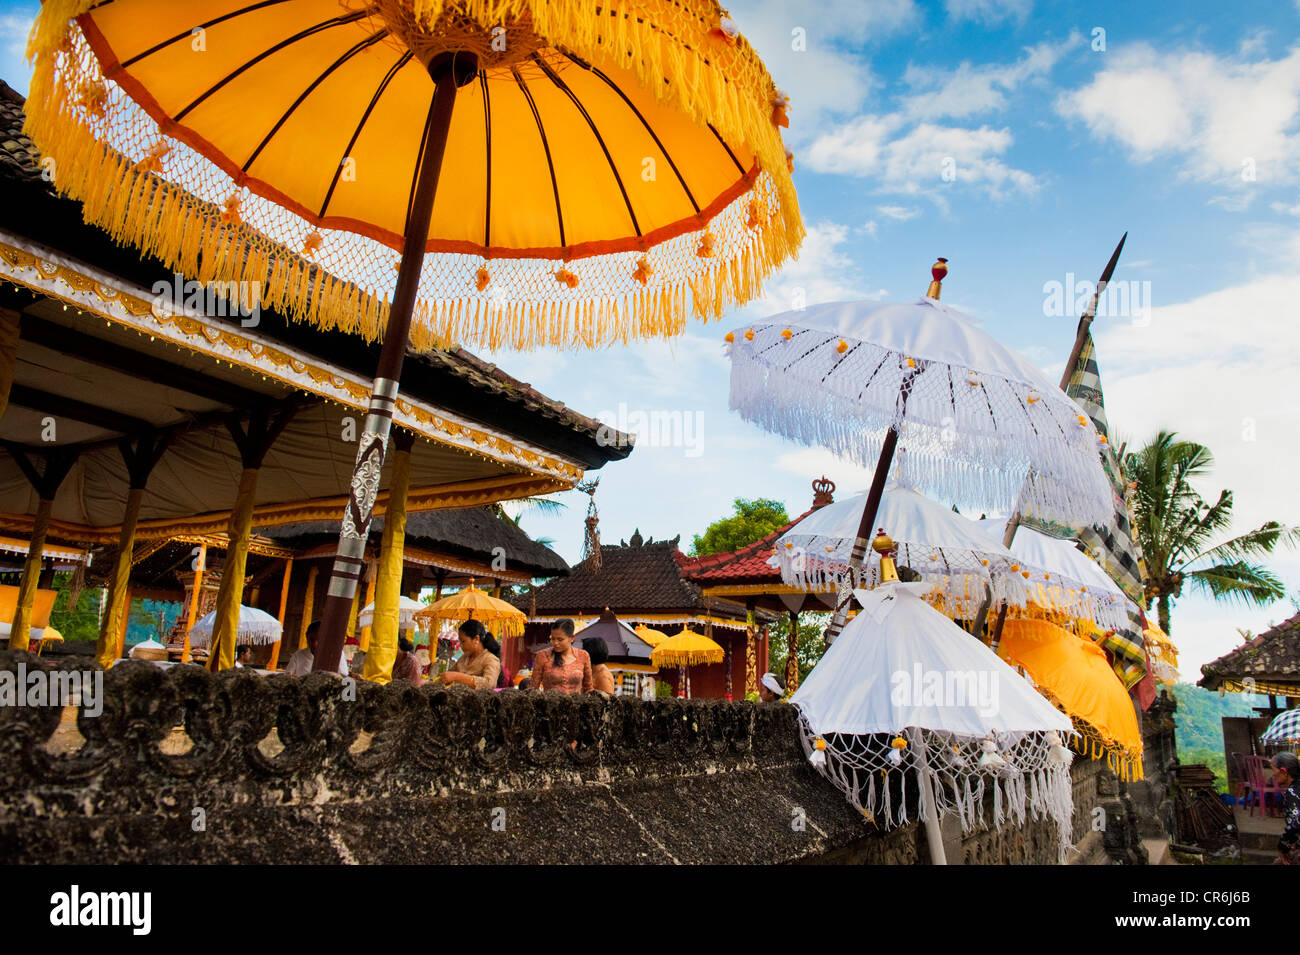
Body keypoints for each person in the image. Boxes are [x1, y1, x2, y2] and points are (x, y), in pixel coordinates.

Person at [531, 619, 592, 693]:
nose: (555, 643)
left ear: (572, 638)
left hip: (577, 703)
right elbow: (533, 689)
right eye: (553, 639)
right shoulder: (542, 656)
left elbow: (588, 687)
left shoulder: (583, 656)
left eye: (560, 639)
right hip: (550, 703)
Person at [438, 620, 502, 689]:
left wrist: (457, 677)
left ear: (476, 639)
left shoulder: (490, 659)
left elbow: (489, 684)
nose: (461, 646)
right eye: (460, 642)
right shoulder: (464, 658)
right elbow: (448, 676)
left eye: (463, 641)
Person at [284, 622, 349, 677]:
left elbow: (343, 677)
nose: (315, 644)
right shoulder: (298, 655)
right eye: (311, 640)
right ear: (307, 638)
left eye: (319, 640)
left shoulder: (336, 654)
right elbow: (288, 676)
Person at [1274, 752, 1300, 864]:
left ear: (1284, 772)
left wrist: (1283, 847)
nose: (1273, 775)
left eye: (1274, 769)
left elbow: (1296, 822)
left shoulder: (1293, 792)